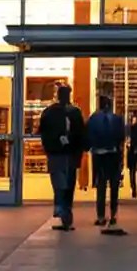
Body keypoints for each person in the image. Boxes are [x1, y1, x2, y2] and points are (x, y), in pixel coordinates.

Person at [39, 84, 85, 231]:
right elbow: (81, 135)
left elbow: (42, 131)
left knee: (58, 182)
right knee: (69, 184)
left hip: (55, 154)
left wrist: (49, 148)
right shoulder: (75, 112)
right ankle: (66, 216)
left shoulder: (49, 112)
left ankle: (60, 208)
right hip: (70, 154)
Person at [87, 94, 126, 228]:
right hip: (113, 154)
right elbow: (121, 137)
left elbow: (88, 136)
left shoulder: (93, 119)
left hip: (98, 154)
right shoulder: (117, 119)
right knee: (114, 186)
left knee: (101, 185)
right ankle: (113, 214)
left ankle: (101, 216)